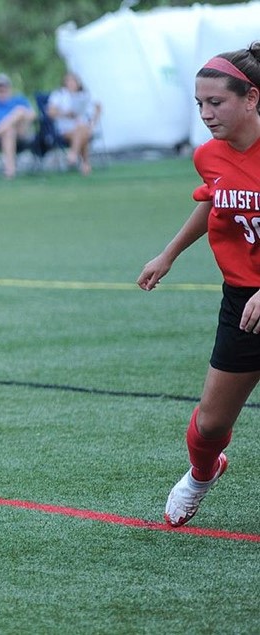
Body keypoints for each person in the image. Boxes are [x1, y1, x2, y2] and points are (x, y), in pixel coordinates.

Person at [137, 43, 260, 528]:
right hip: (241, 303)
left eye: (217, 102)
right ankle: (201, 476)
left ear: (251, 97)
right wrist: (168, 254)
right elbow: (215, 201)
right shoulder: (209, 155)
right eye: (200, 105)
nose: (206, 114)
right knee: (210, 424)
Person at [46, 71, 100, 176]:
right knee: (83, 130)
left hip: (83, 127)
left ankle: (73, 154)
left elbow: (98, 107)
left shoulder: (84, 95)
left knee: (82, 128)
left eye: (73, 81)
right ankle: (85, 163)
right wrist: (65, 114)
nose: (71, 84)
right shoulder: (59, 95)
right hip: (65, 129)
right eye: (69, 81)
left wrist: (94, 122)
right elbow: (50, 112)